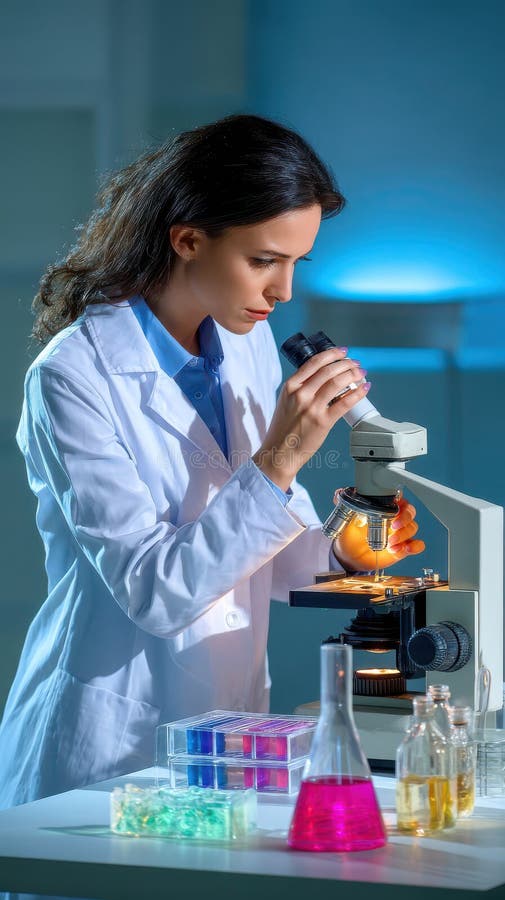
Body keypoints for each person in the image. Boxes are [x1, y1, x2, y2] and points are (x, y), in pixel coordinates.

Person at [0, 114, 423, 810]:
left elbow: (276, 562)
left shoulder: (247, 341)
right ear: (188, 239)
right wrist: (282, 456)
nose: (283, 290)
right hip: (112, 736)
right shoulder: (72, 375)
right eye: (263, 260)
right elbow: (156, 593)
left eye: (295, 263)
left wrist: (343, 552)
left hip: (229, 723)